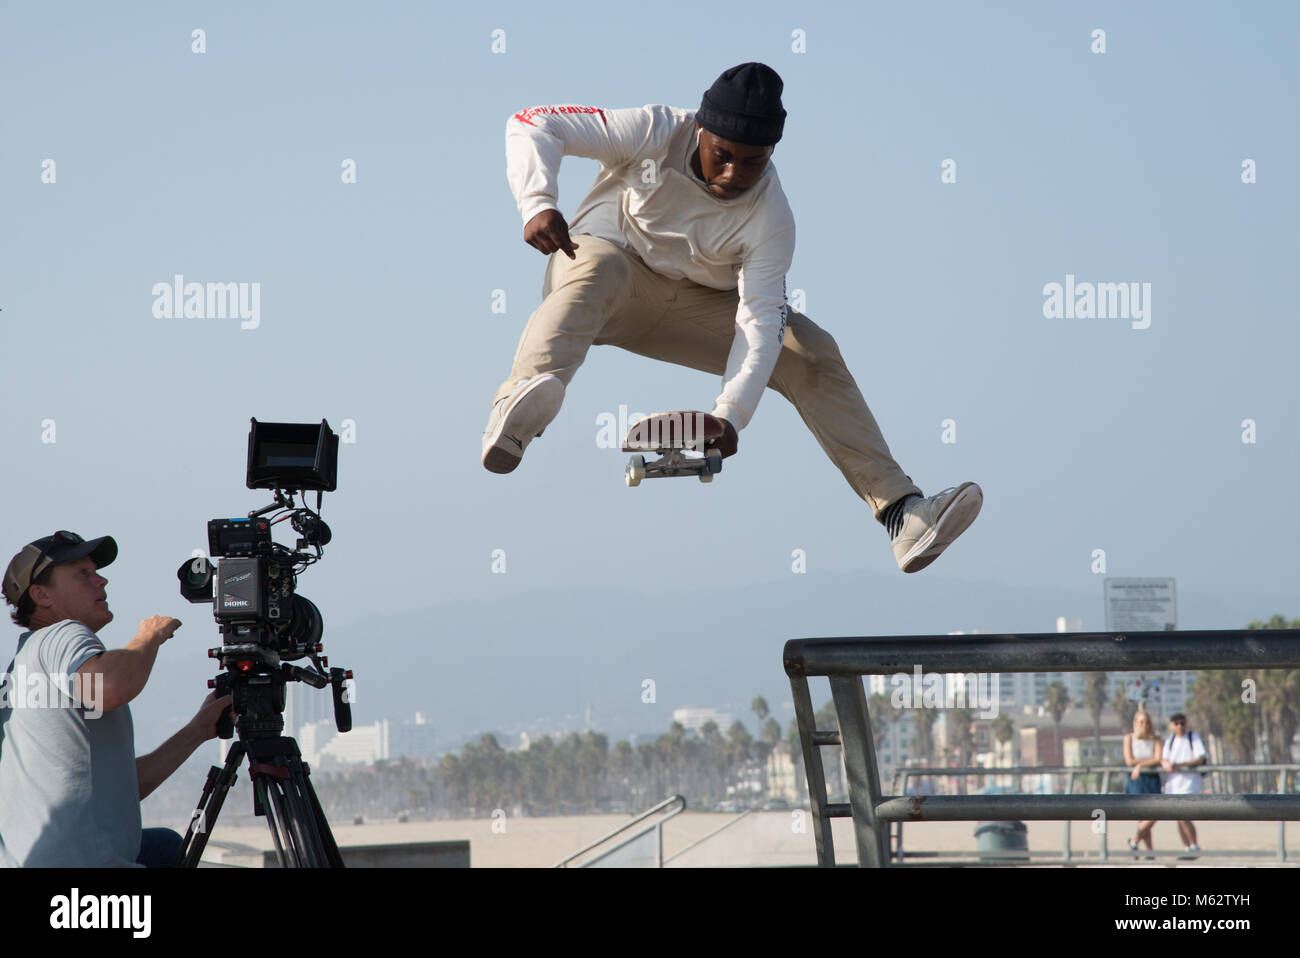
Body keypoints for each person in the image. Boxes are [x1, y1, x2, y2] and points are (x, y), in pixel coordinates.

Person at [484, 62, 982, 573]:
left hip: (694, 309)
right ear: (700, 129)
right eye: (722, 156)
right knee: (602, 265)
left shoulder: (771, 216)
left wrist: (729, 414)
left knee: (810, 351)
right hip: (609, 282)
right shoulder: (655, 129)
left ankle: (901, 512)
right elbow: (532, 121)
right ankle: (514, 412)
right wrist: (537, 202)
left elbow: (760, 321)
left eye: (752, 162)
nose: (733, 175)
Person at [0, 531, 232, 867]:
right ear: (41, 595)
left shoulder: (25, 665)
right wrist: (148, 636)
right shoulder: (60, 634)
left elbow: (120, 791)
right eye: (83, 574)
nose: (101, 580)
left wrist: (198, 730)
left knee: (164, 846)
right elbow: (109, 686)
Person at [1161, 712, 1207, 859]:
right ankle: (1188, 848)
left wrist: (1180, 765)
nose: (1180, 726)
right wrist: (1166, 764)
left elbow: (1200, 758)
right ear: (1171, 726)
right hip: (1173, 784)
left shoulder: (1193, 737)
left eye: (1182, 723)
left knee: (1183, 815)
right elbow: (1164, 759)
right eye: (1177, 723)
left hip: (1190, 784)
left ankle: (1194, 846)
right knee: (1178, 816)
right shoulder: (1170, 740)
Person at [1122, 707, 1163, 858]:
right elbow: (1129, 760)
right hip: (1136, 780)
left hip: (1152, 779)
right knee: (1143, 816)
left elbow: (1158, 758)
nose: (1143, 725)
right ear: (1135, 723)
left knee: (1155, 813)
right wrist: (1146, 763)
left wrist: (1140, 765)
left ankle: (1134, 841)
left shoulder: (1156, 738)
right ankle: (1150, 852)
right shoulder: (1129, 738)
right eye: (1140, 722)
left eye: (1146, 722)